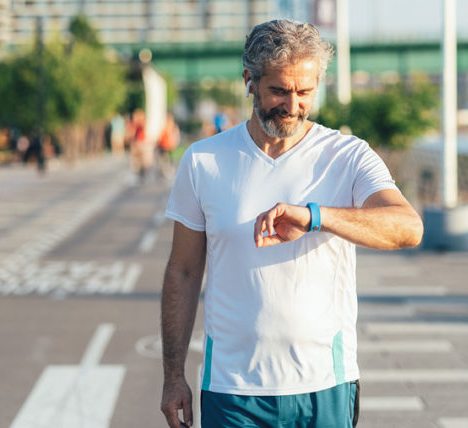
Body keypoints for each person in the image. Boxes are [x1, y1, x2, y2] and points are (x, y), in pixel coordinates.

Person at [160, 19, 423, 428]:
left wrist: (316, 217)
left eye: (305, 92)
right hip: (233, 390)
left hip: (325, 385)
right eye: (279, 90)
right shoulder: (203, 160)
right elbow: (183, 270)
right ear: (250, 80)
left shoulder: (347, 155)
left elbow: (408, 228)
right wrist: (173, 376)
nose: (293, 105)